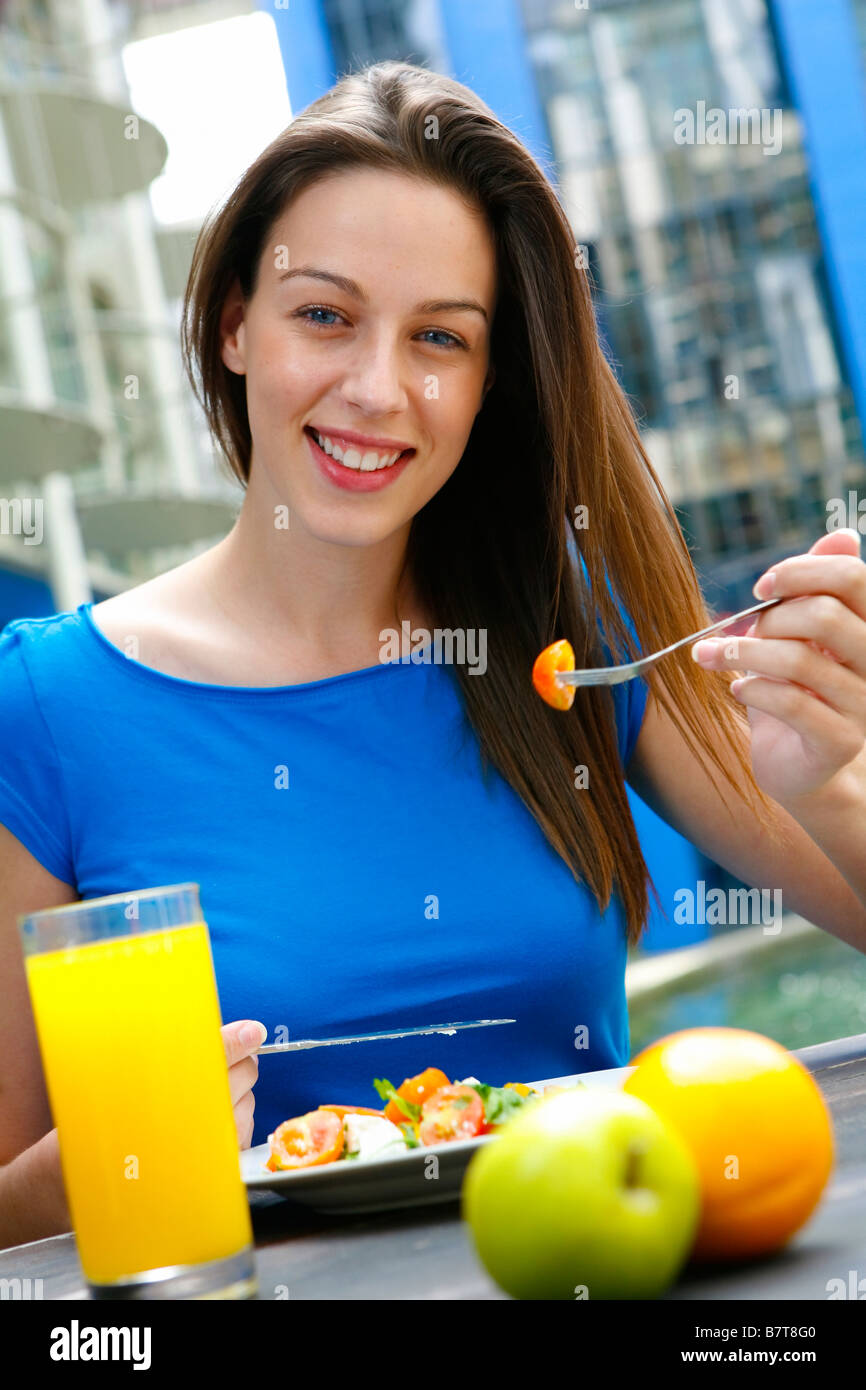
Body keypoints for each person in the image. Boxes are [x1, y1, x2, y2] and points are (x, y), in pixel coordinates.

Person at [1, 61, 865, 1249]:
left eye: (439, 338)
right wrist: (113, 1161)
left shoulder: (570, 637)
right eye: (324, 316)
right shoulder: (46, 706)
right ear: (231, 325)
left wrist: (822, 784)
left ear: (486, 380)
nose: (377, 389)